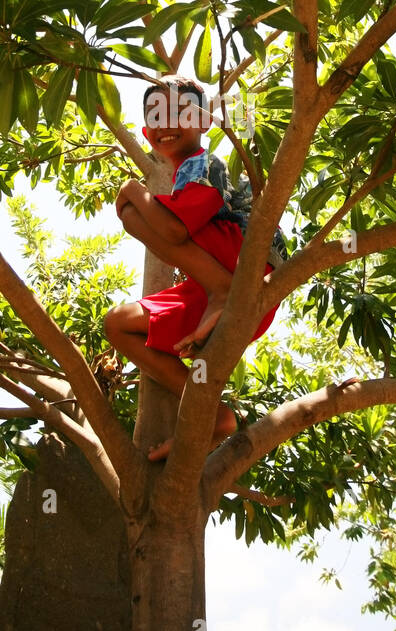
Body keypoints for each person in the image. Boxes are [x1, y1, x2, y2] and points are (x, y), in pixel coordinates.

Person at [103, 75, 282, 461]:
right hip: (214, 292)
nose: (165, 124)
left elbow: (173, 229)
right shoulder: (186, 171)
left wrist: (132, 189)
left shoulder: (208, 164)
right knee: (117, 323)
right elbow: (172, 235)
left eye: (178, 113)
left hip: (250, 270)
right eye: (156, 115)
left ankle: (221, 290)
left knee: (139, 212)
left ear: (202, 121)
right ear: (147, 132)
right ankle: (213, 414)